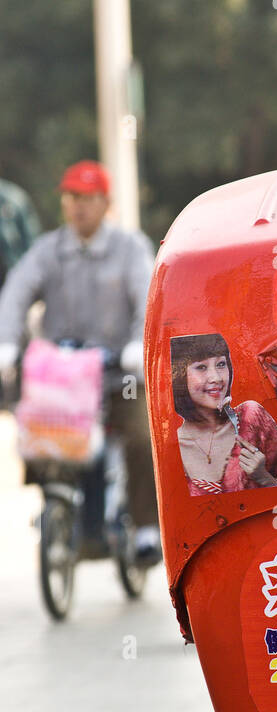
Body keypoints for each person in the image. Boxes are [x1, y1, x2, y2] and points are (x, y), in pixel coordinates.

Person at [0, 160, 159, 558]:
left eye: (86, 198)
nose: (77, 206)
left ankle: (145, 527)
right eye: (71, 197)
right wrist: (6, 344)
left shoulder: (130, 248)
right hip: (64, 378)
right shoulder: (48, 250)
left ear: (106, 203)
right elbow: (16, 294)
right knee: (36, 434)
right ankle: (57, 509)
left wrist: (137, 347)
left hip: (118, 376)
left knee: (142, 436)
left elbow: (147, 298)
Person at [170, 333, 277, 495]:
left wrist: (264, 477)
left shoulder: (250, 418)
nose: (216, 378)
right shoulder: (171, 449)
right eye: (201, 367)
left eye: (220, 364)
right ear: (179, 376)